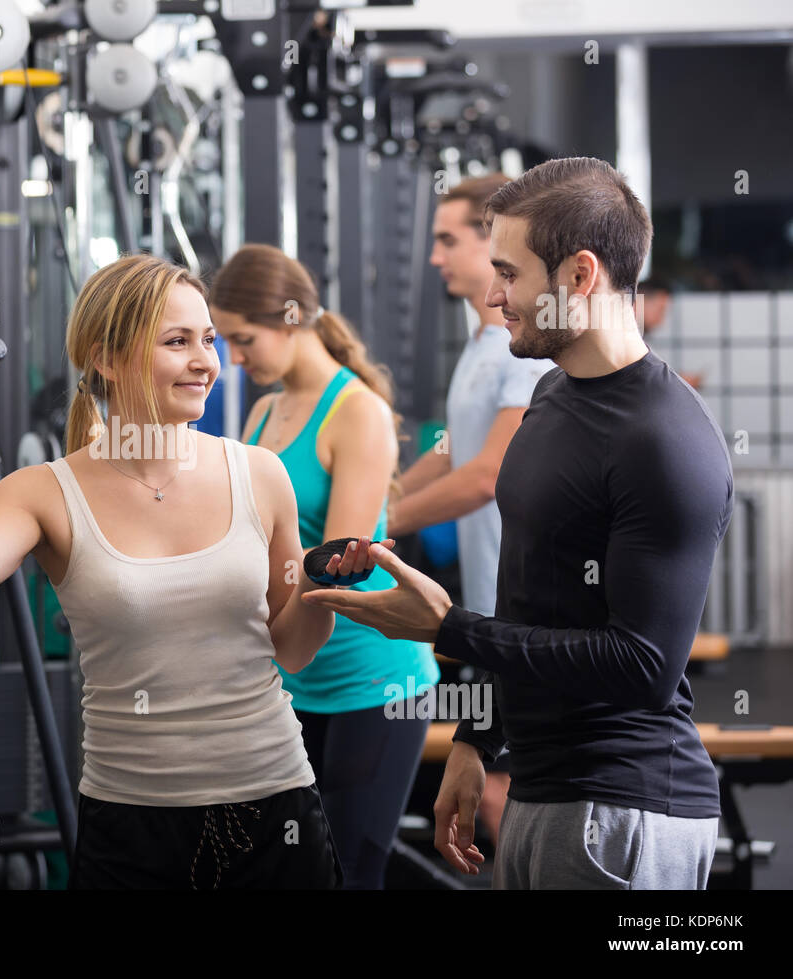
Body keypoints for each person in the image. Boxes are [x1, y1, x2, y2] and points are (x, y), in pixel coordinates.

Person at [0, 252, 364, 889]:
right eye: (177, 342)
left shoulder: (259, 474)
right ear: (107, 359)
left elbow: (291, 651)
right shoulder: (45, 493)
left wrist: (320, 589)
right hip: (131, 822)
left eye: (209, 341)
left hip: (275, 805)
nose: (205, 362)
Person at [301, 157, 732, 890]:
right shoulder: (552, 397)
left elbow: (643, 667)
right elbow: (530, 599)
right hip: (540, 789)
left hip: (622, 808)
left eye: (509, 271)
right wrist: (476, 737)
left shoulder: (664, 440)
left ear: (580, 275)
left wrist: (448, 629)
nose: (493, 294)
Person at [209, 243, 440, 889]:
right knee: (293, 867)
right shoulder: (260, 411)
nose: (232, 357)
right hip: (294, 675)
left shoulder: (357, 410)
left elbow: (344, 563)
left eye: (241, 337)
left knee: (350, 871)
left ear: (288, 319)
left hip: (373, 679)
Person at [388, 174, 553, 848]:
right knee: (484, 790)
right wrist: (382, 494)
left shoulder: (522, 356)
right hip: (485, 606)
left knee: (499, 794)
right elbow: (454, 445)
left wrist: (379, 526)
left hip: (517, 613)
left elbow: (488, 474)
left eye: (447, 239)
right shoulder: (484, 347)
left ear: (495, 242)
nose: (435, 257)